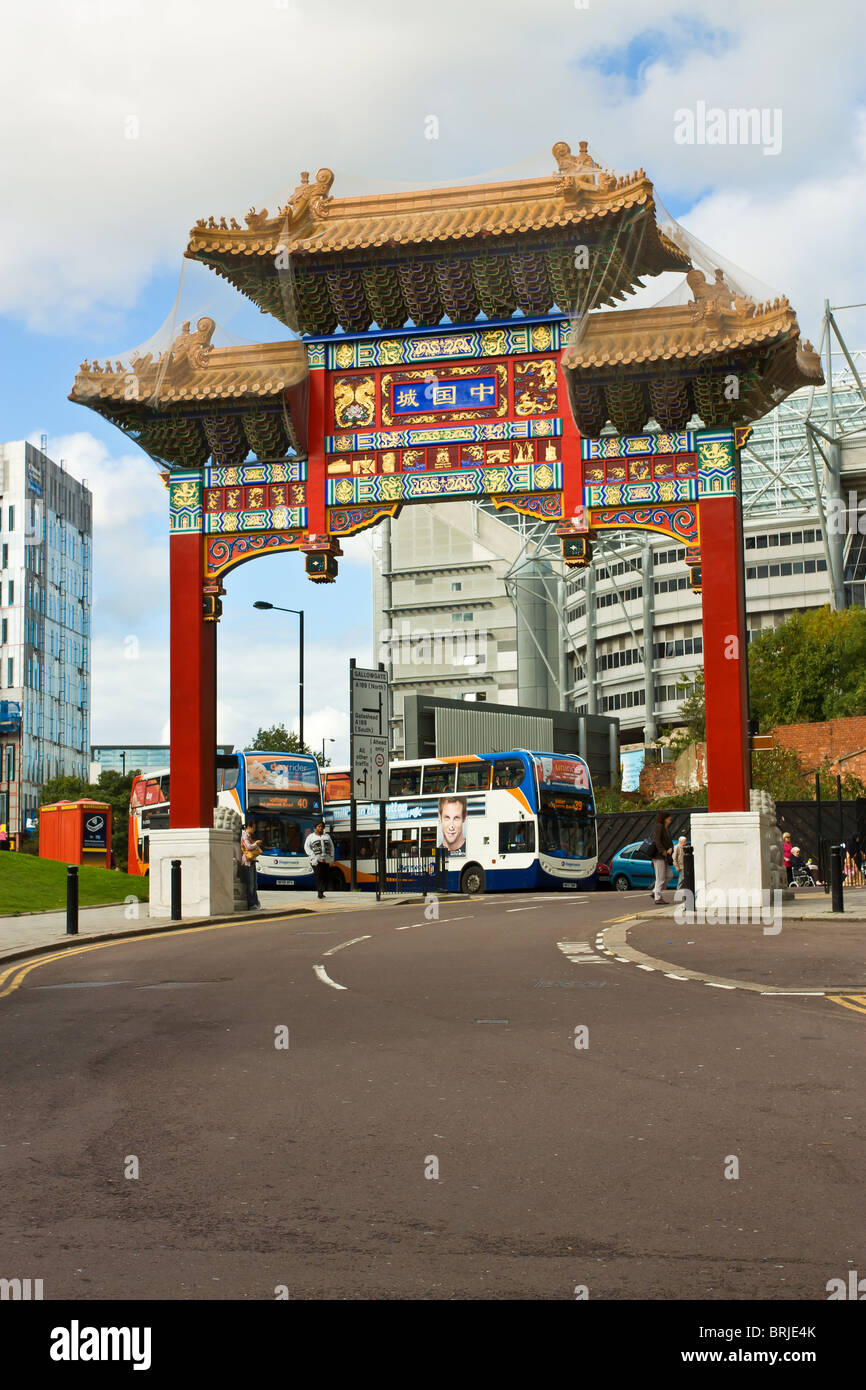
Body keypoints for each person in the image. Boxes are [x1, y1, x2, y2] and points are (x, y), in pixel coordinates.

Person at [304, 820, 335, 899]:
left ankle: (321, 891)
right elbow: (306, 847)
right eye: (319, 826)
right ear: (315, 828)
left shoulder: (327, 836)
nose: (320, 828)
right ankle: (320, 893)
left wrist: (331, 857)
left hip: (326, 860)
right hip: (316, 860)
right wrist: (312, 855)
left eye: (322, 827)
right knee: (319, 876)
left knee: (325, 876)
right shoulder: (311, 837)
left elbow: (331, 847)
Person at [650, 811, 674, 904]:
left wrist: (671, 848)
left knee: (669, 875)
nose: (670, 819)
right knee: (661, 878)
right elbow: (657, 840)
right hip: (658, 856)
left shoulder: (666, 828)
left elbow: (669, 841)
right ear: (664, 819)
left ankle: (655, 891)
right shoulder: (659, 826)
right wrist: (663, 851)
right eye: (669, 818)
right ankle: (658, 897)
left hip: (665, 857)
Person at [241, 819, 262, 909]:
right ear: (248, 827)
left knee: (254, 884)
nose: (254, 830)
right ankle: (251, 904)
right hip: (247, 863)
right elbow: (248, 847)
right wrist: (256, 844)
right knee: (251, 884)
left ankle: (255, 903)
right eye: (253, 828)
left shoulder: (249, 836)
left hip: (252, 861)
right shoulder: (244, 836)